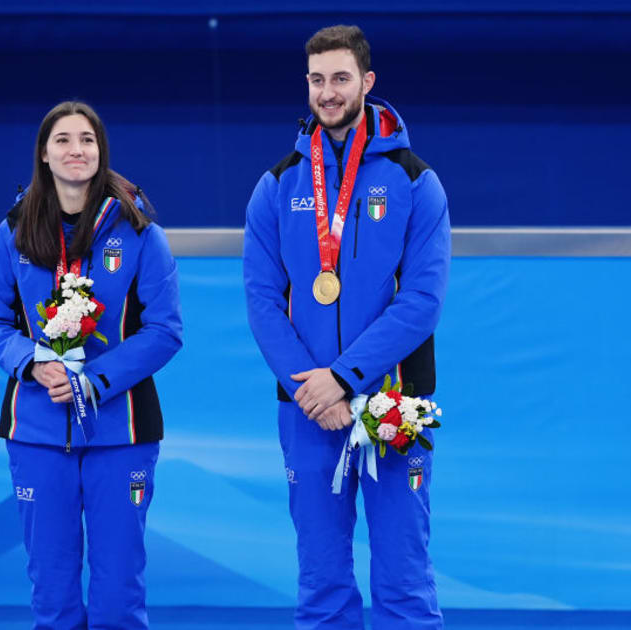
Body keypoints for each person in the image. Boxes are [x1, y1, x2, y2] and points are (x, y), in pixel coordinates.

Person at [242, 25, 450, 629]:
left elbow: (422, 301)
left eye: (339, 78)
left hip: (394, 401)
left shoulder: (415, 181)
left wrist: (344, 377)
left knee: (404, 579)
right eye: (316, 80)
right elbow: (261, 301)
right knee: (321, 580)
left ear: (367, 81)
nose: (328, 92)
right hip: (308, 407)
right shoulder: (277, 185)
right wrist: (316, 389)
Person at [0, 101, 183, 630]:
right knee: (53, 592)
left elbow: (165, 331)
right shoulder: (14, 232)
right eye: (63, 140)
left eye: (87, 139)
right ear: (44, 155)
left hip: (122, 430)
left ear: (101, 150)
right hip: (37, 432)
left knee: (118, 593)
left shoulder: (141, 233)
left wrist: (93, 381)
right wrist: (31, 362)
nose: (76, 150)